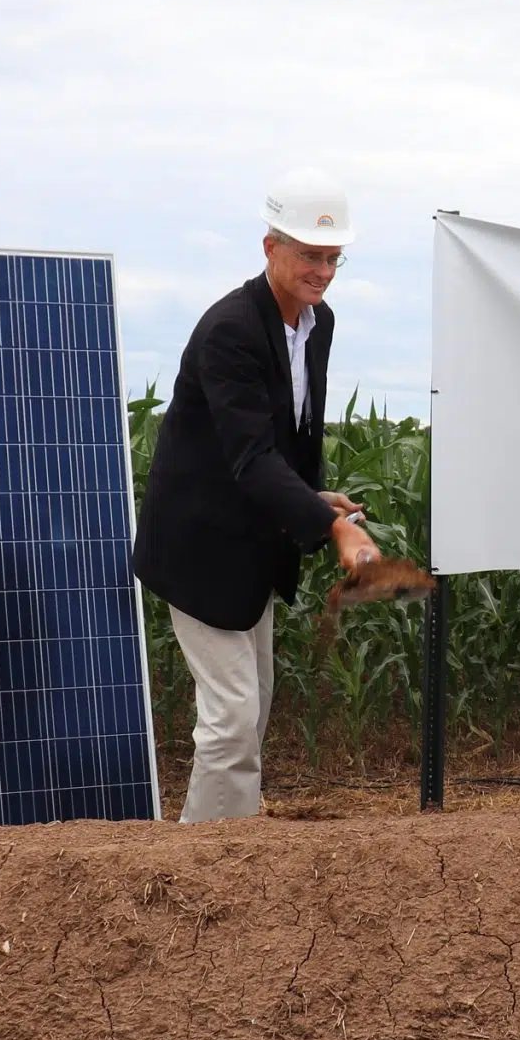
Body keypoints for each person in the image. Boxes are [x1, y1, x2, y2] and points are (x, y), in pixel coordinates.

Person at [134, 168, 383, 822]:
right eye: (309, 254)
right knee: (232, 717)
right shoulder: (231, 331)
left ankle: (230, 851)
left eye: (333, 257)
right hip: (200, 550)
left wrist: (310, 496)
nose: (323, 270)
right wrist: (332, 529)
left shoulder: (315, 323)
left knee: (255, 703)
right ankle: (209, 867)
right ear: (270, 248)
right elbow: (250, 457)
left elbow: (287, 439)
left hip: (251, 546)